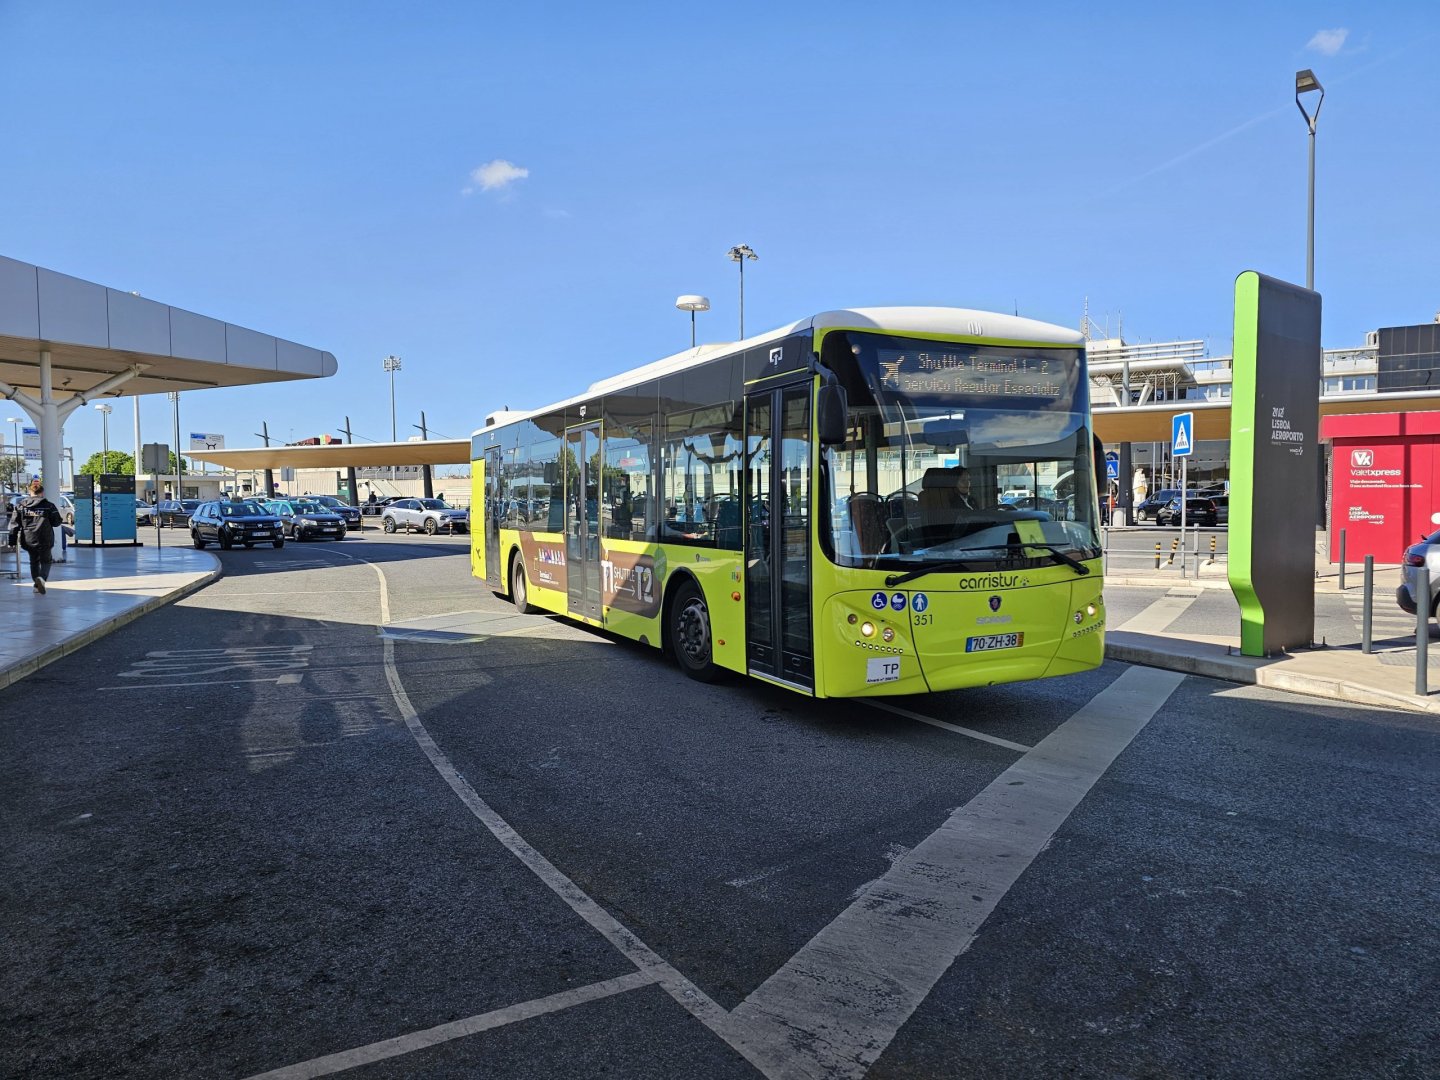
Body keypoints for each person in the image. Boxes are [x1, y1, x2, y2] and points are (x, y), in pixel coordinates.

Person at [7, 478, 63, 595]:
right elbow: (56, 522)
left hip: (28, 539)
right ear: (42, 493)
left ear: (30, 492)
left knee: (34, 561)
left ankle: (36, 585)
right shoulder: (49, 506)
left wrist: (12, 540)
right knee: (46, 561)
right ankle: (41, 579)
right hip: (45, 538)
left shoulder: (21, 506)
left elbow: (14, 524)